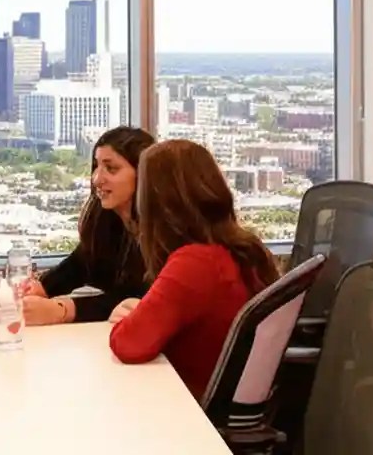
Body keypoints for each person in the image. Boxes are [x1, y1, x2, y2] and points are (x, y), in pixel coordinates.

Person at [108, 139, 279, 398]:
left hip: (192, 411)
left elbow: (127, 344)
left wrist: (133, 320)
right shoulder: (243, 247)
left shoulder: (194, 263)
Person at [21, 126, 156, 325]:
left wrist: (62, 310)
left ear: (142, 173)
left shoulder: (163, 233)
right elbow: (80, 264)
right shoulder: (108, 222)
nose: (97, 179)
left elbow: (136, 300)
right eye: (96, 167)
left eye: (111, 169)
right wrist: (41, 288)